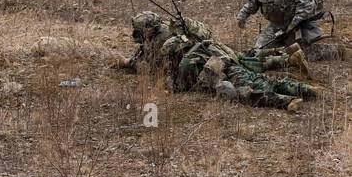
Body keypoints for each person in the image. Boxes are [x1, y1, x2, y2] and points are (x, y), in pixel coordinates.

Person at [121, 12, 314, 111]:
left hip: (213, 65)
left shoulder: (158, 44)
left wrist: (130, 64)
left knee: (248, 87)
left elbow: (152, 65)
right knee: (253, 70)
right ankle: (299, 83)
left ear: (146, 30)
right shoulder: (171, 29)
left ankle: (294, 96)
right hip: (217, 55)